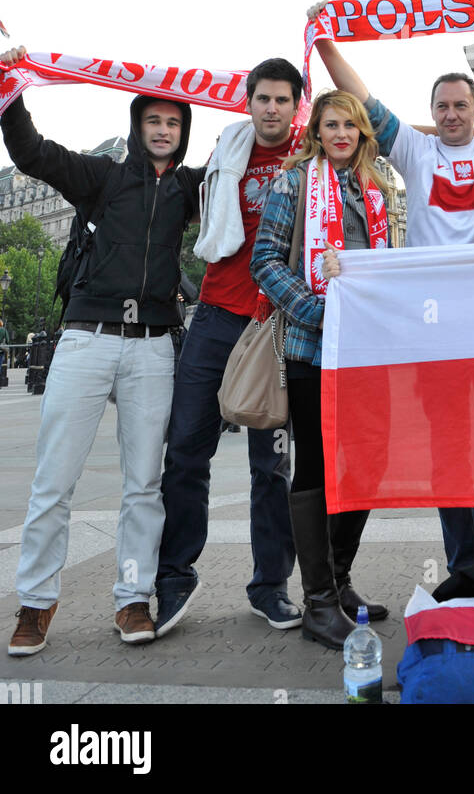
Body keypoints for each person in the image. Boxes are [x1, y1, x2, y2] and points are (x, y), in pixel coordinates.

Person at [307, 6, 474, 575]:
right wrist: (325, 45)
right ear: (431, 114)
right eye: (443, 107)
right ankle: (465, 562)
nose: (453, 114)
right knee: (450, 452)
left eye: (462, 105)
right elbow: (360, 99)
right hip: (436, 332)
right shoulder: (414, 150)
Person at [0, 44, 205, 653]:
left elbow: (245, 169)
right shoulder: (103, 175)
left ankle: (133, 598)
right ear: (138, 128)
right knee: (52, 480)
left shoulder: (192, 189)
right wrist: (11, 90)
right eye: (154, 121)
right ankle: (36, 603)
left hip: (152, 347)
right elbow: (33, 154)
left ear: (184, 131)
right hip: (86, 338)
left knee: (144, 483)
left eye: (174, 122)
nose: (164, 130)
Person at [155, 59, 303, 638]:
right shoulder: (223, 159)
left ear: (297, 106)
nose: (271, 109)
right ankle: (173, 577)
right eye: (262, 99)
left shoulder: (313, 160)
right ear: (249, 103)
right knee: (186, 451)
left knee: (273, 467)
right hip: (216, 315)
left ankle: (271, 586)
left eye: (282, 101)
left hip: (280, 323)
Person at [250, 89, 389, 649]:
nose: (341, 134)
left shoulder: (377, 188)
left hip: (367, 348)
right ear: (316, 132)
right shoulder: (294, 183)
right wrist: (317, 311)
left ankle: (340, 579)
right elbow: (264, 260)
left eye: (350, 126)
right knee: (316, 467)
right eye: (331, 124)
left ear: (361, 134)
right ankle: (318, 602)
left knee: (368, 464)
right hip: (312, 347)